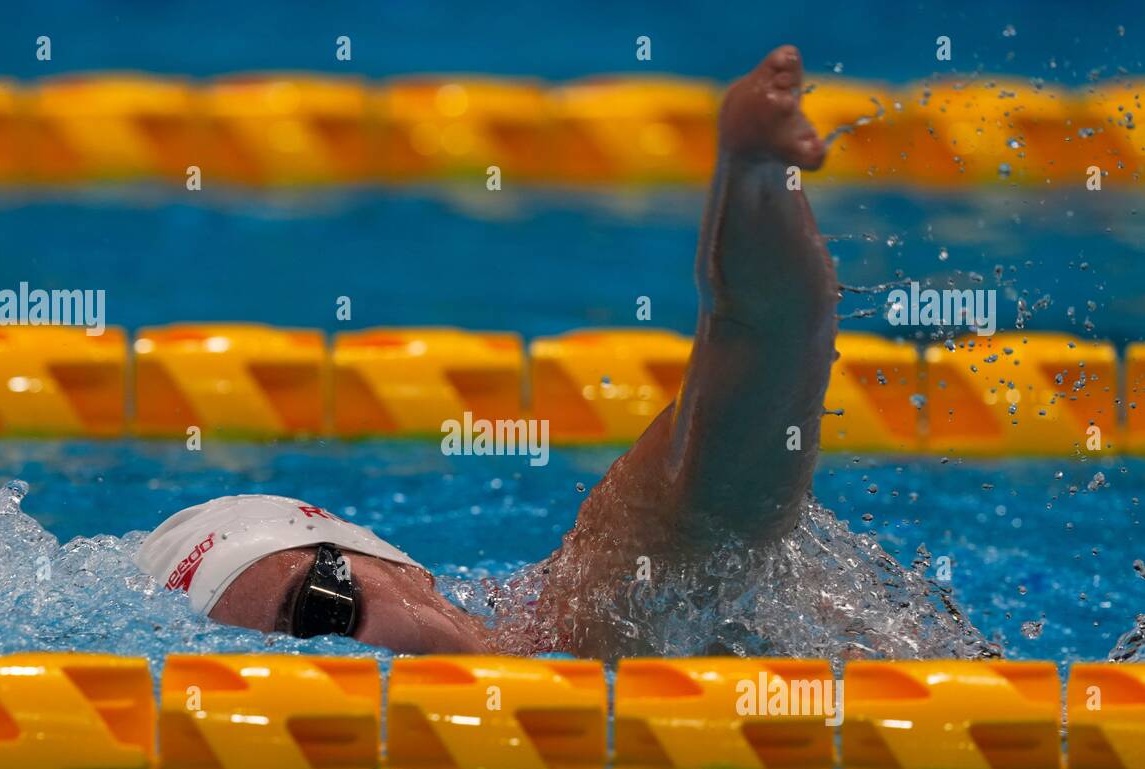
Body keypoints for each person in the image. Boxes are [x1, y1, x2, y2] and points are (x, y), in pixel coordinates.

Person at [137, 45, 837, 658]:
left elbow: (759, 348)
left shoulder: (604, 601)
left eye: (323, 610)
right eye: (302, 668)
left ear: (397, 566)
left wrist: (753, 177)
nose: (345, 666)